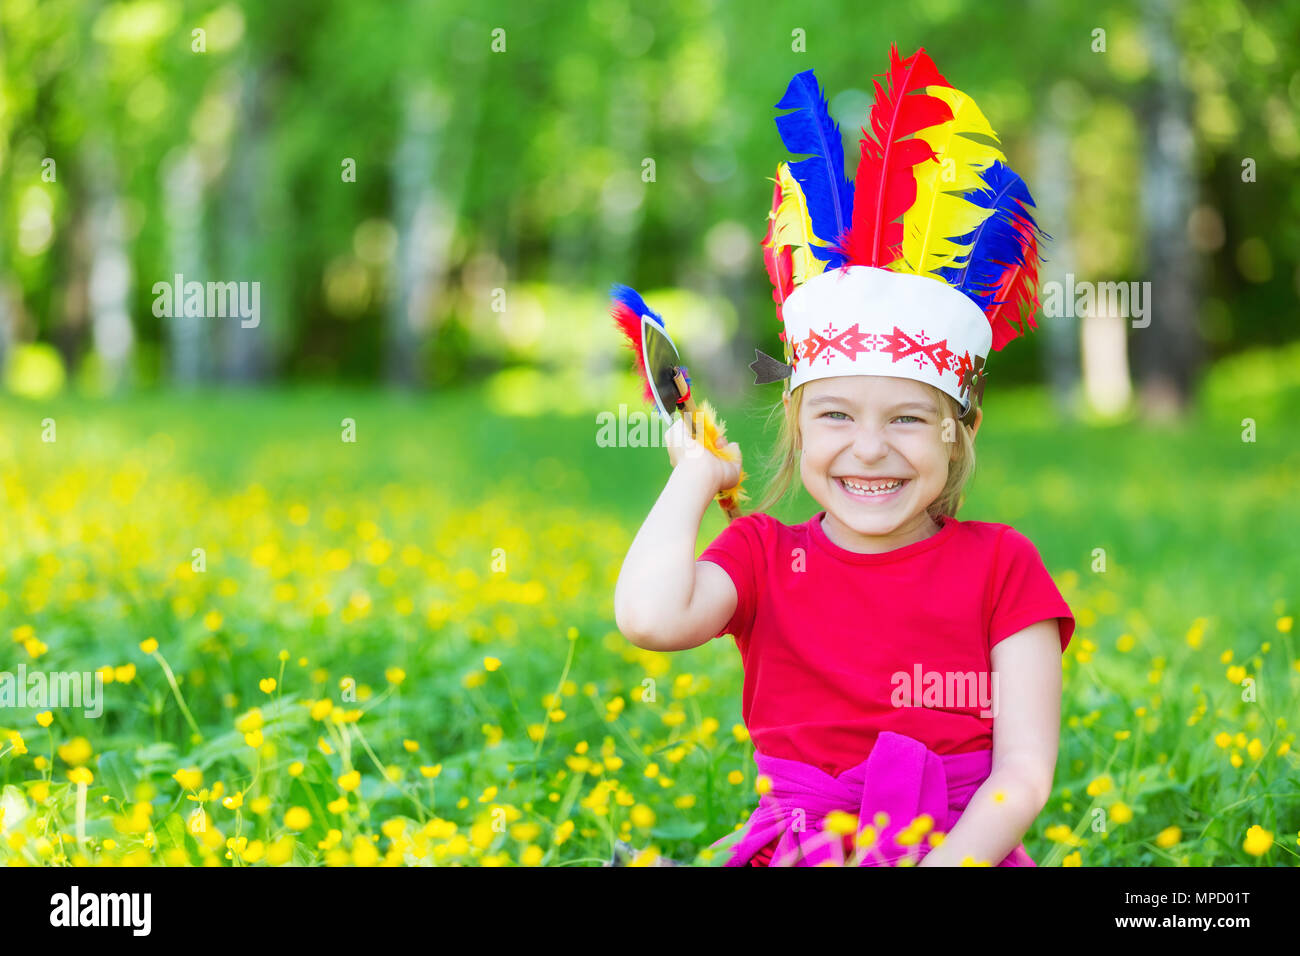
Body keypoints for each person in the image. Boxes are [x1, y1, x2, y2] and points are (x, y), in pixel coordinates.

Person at [613, 46, 1075, 866]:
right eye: (835, 416)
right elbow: (649, 618)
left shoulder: (1004, 567)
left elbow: (1024, 776)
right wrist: (694, 477)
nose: (869, 448)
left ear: (958, 432)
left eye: (906, 418)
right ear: (797, 425)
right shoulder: (761, 556)